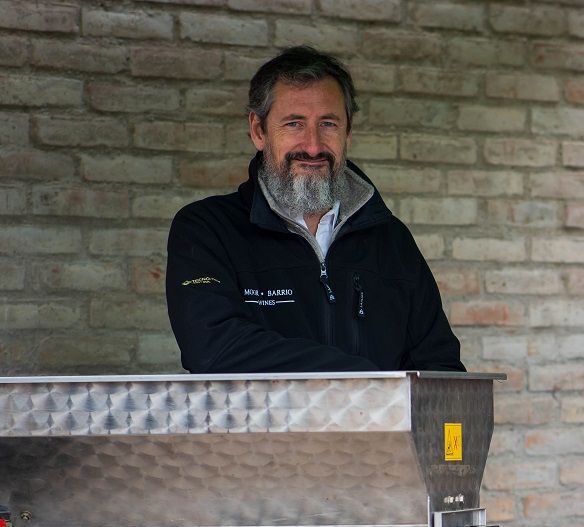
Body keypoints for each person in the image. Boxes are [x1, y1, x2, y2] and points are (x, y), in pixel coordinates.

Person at [166, 46, 463, 374]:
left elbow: (440, 365)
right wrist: (362, 381)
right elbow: (213, 348)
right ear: (258, 131)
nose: (312, 146)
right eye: (294, 124)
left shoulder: (391, 240)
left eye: (328, 124)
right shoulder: (207, 229)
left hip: (378, 427)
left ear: (348, 131)